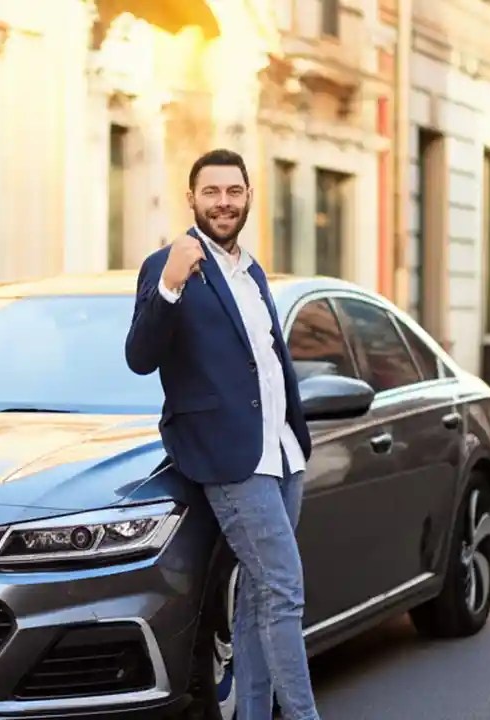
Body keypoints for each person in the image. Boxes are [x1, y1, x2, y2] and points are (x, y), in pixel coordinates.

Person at [124, 148, 320, 720]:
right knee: (284, 590)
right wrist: (169, 285)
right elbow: (140, 356)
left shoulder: (252, 270)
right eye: (211, 192)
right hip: (230, 460)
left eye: (233, 191)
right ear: (192, 200)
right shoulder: (170, 264)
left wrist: (296, 436)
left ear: (248, 195)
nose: (224, 203)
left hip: (281, 453)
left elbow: (271, 361)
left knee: (260, 598)